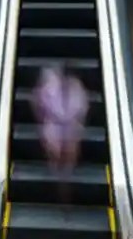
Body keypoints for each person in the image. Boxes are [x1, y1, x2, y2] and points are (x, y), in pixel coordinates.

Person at [31, 64, 89, 202]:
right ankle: (58, 188)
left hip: (71, 125)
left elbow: (82, 108)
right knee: (56, 153)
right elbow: (38, 104)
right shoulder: (48, 84)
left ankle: (64, 189)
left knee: (68, 155)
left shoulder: (76, 87)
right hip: (53, 124)